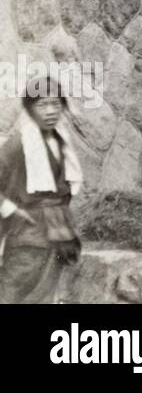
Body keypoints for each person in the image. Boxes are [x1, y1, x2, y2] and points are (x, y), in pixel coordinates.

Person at [0, 76, 84, 303]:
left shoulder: (62, 143)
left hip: (57, 232)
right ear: (29, 109)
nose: (50, 111)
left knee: (44, 296)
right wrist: (12, 210)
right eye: (42, 104)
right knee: (11, 294)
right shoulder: (18, 144)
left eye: (56, 104)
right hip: (26, 235)